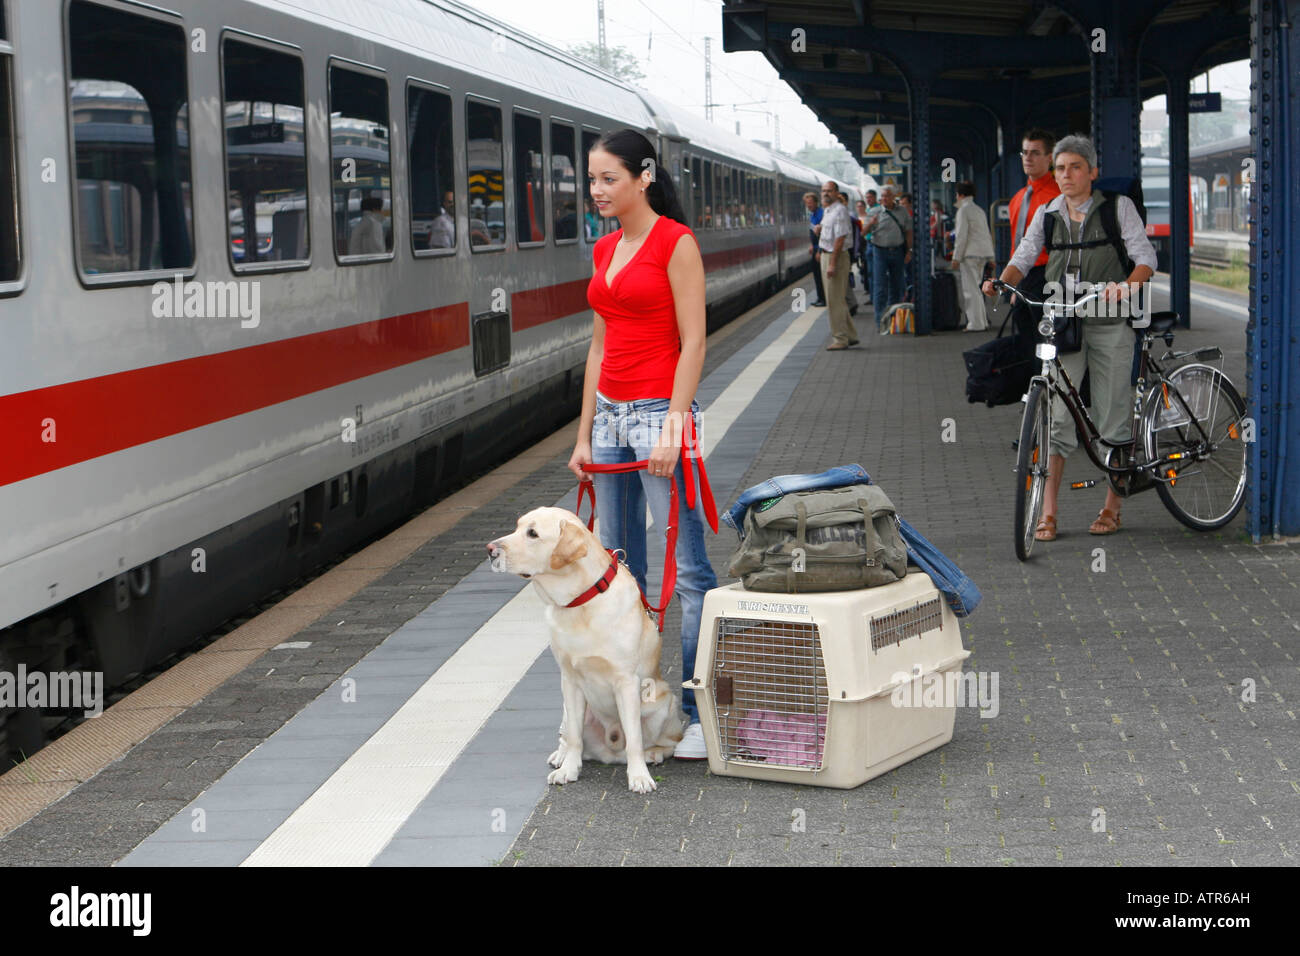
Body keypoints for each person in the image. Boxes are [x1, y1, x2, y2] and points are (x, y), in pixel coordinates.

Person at [569, 128, 717, 760]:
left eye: (609, 178)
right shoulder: (605, 251)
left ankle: (699, 711)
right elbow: (598, 348)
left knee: (690, 572)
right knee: (620, 571)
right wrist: (583, 434)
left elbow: (694, 342)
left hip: (661, 413)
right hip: (609, 420)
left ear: (643, 177)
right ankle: (642, 708)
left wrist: (674, 425)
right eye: (593, 179)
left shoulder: (675, 244)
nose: (597, 190)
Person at [982, 134, 1157, 541]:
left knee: (1113, 412)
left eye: (1075, 167)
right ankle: (1048, 512)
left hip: (1111, 319)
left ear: (1092, 172)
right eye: (1060, 168)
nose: (1066, 175)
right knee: (1057, 418)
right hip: (1064, 321)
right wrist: (1002, 282)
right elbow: (1023, 256)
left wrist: (1127, 286)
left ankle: (1113, 507)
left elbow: (1145, 257)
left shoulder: (1118, 208)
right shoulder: (1047, 213)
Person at [1005, 128, 1062, 335]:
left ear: (1050, 158)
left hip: (1051, 275)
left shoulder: (1058, 196)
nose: (1028, 158)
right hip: (1026, 277)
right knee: (1027, 338)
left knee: (1046, 338)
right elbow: (1016, 244)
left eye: (1035, 153)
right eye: (1025, 152)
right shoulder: (1018, 199)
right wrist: (1015, 285)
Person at [863, 187, 913, 321]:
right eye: (883, 196)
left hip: (898, 251)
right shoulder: (874, 212)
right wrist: (871, 224)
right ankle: (880, 320)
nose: (885, 198)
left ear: (894, 197)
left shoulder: (902, 212)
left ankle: (893, 318)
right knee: (880, 287)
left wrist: (909, 251)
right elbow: (863, 232)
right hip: (879, 252)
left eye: (888, 196)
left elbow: (909, 232)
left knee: (897, 286)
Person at [951, 182, 995, 332]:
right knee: (977, 289)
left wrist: (956, 257)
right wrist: (991, 256)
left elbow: (961, 236)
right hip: (982, 253)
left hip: (969, 254)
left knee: (970, 291)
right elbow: (986, 233)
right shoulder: (979, 210)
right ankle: (982, 321)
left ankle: (975, 324)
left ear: (960, 195)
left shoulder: (963, 211)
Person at [818, 180, 856, 349]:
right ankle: (851, 335)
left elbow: (840, 239)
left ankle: (840, 339)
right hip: (828, 254)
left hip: (837, 257)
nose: (826, 193)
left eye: (829, 191)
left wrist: (832, 264)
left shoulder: (839, 211)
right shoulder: (828, 210)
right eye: (823, 190)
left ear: (836, 192)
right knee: (836, 299)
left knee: (834, 301)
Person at [804, 191, 827, 306]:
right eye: (807, 204)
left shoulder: (821, 214)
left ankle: (823, 299)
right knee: (817, 275)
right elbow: (813, 233)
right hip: (816, 248)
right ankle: (820, 297)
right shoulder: (812, 215)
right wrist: (812, 245)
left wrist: (819, 250)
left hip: (820, 249)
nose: (809, 206)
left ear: (816, 202)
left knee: (821, 275)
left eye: (810, 203)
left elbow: (823, 235)